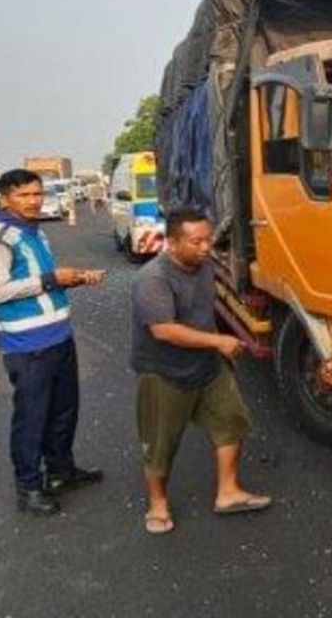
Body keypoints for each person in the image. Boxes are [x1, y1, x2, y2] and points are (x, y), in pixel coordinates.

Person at [130, 206, 270, 534]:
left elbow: (206, 309)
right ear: (173, 242)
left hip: (207, 365)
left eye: (208, 239)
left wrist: (218, 345)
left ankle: (228, 492)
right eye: (196, 242)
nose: (206, 247)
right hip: (163, 372)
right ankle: (158, 503)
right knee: (160, 443)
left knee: (231, 423)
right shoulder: (153, 279)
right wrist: (218, 342)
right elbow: (163, 330)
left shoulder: (203, 265)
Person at [0, 168, 105, 515]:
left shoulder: (35, 233)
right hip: (27, 345)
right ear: (6, 199)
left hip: (59, 337)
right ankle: (29, 487)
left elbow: (40, 280)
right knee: (33, 418)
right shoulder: (0, 240)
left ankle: (61, 471)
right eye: (24, 195)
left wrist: (74, 279)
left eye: (37, 194)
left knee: (65, 410)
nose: (34, 201)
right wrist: (50, 279)